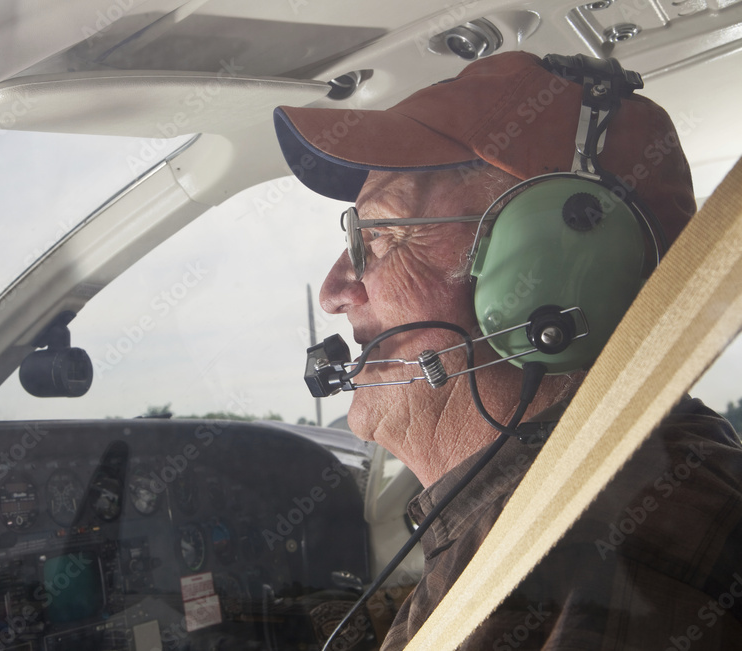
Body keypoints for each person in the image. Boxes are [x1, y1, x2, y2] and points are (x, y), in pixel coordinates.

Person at [273, 51, 742, 648]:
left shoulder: (585, 563)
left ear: (562, 269)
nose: (334, 292)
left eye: (384, 235)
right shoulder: (570, 506)